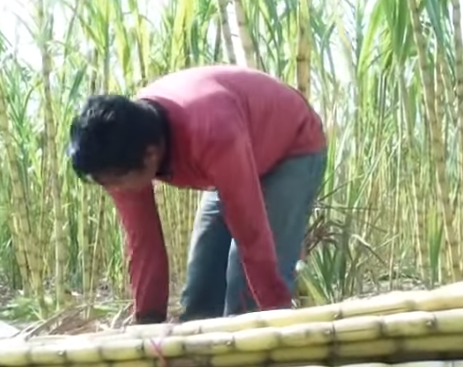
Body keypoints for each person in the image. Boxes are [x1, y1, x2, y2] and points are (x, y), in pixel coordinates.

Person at [66, 64, 328, 324]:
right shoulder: (118, 154)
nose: (115, 192)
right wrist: (148, 327)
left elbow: (252, 236)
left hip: (290, 148)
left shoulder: (210, 131)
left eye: (116, 183)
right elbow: (144, 242)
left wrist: (272, 320)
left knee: (245, 294)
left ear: (150, 156)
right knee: (200, 293)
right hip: (233, 158)